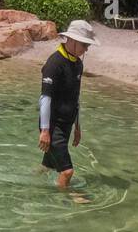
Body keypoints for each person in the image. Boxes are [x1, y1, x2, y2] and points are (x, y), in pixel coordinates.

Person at [39, 19, 97, 189]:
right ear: (71, 40)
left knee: (47, 166)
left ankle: (26, 185)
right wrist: (44, 130)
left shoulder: (78, 64)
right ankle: (64, 202)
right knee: (67, 172)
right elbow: (45, 98)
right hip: (52, 126)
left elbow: (75, 97)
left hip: (66, 125)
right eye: (84, 44)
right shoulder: (54, 64)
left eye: (88, 45)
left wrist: (77, 127)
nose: (86, 49)